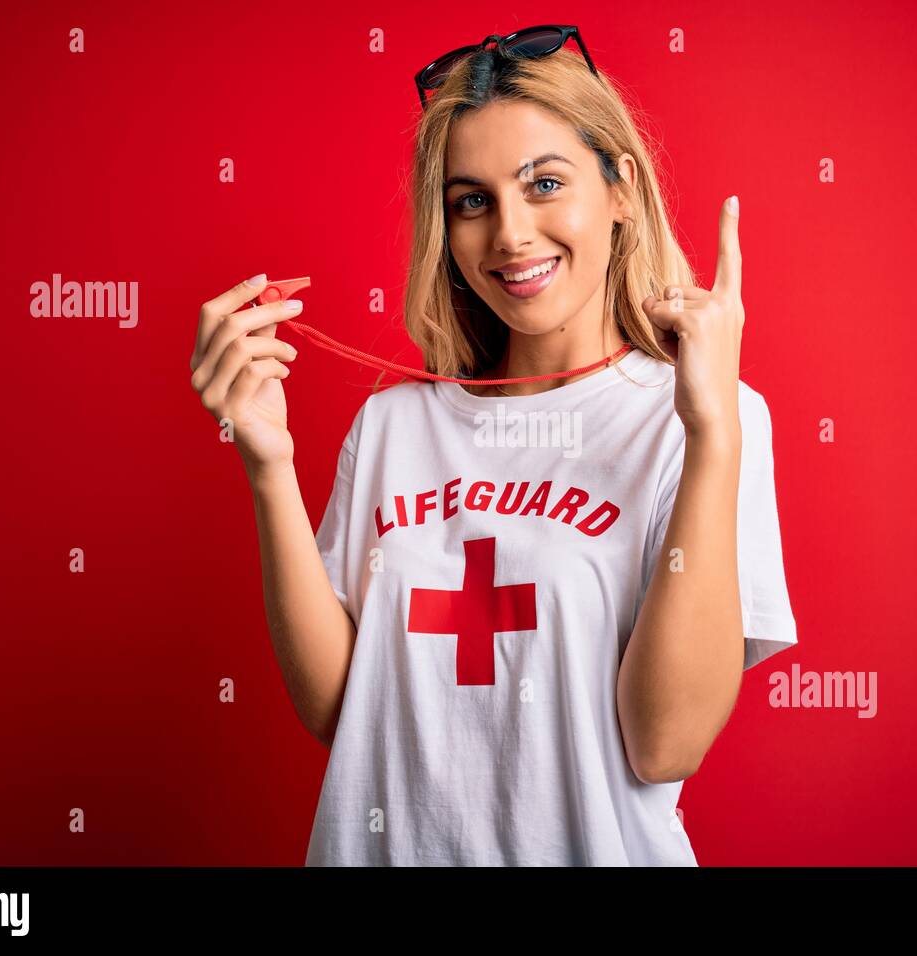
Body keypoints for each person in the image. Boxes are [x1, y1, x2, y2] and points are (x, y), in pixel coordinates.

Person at [188, 26, 798, 866]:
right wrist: (268, 463)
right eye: (472, 200)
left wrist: (711, 432)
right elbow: (341, 710)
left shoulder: (705, 418)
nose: (510, 234)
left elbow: (667, 746)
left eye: (544, 183)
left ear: (622, 187)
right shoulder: (395, 426)